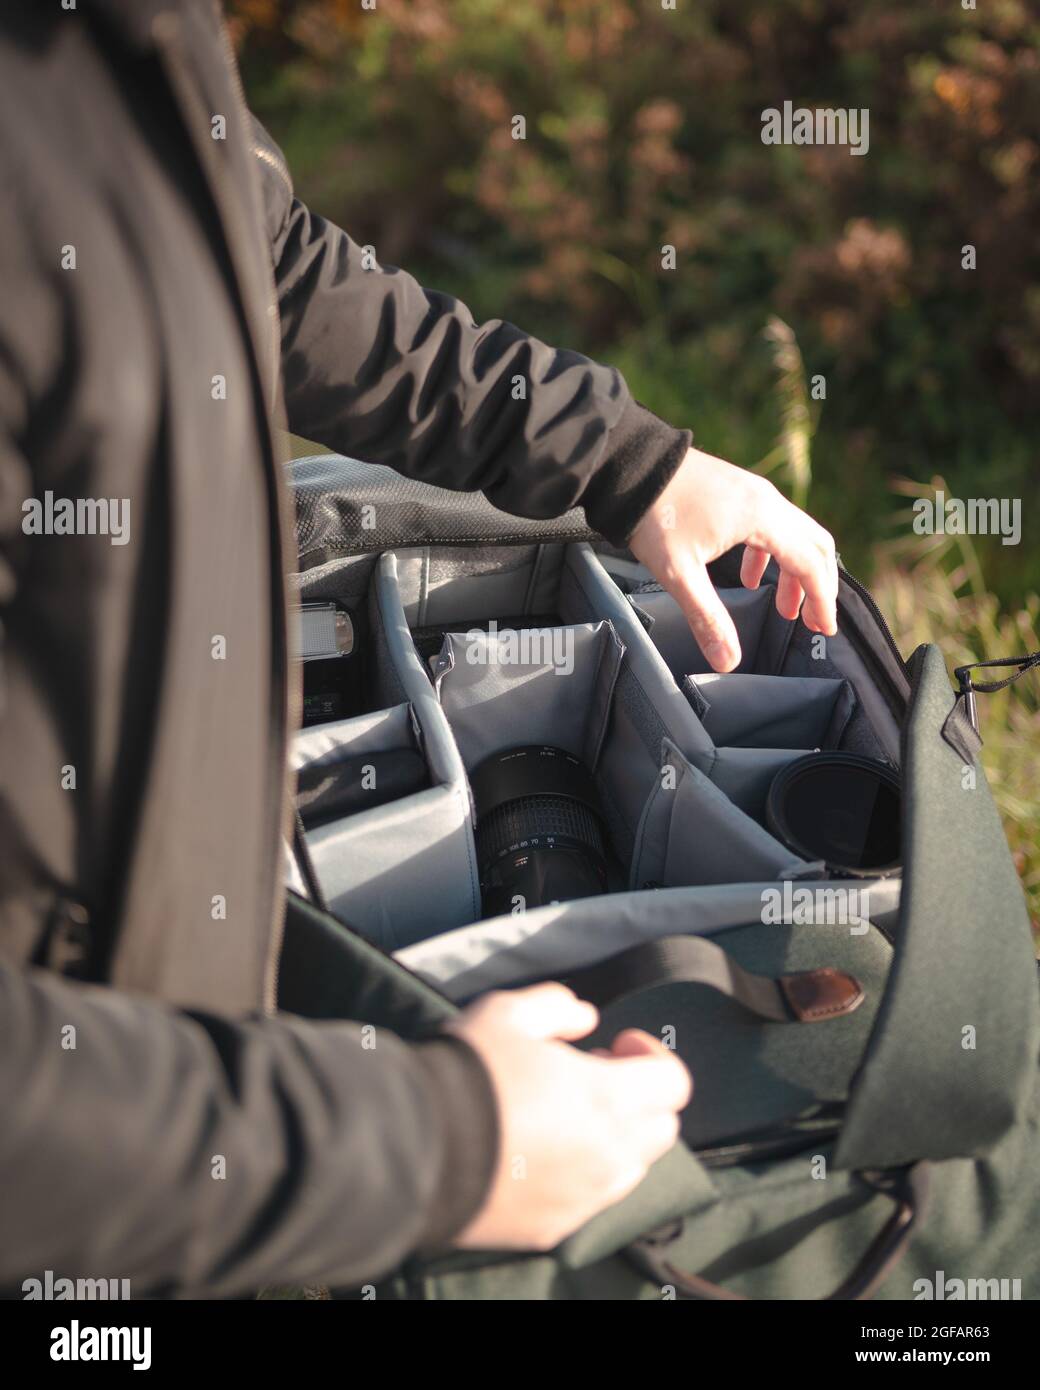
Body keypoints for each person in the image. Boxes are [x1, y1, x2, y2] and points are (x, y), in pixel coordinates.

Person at [0, 0, 838, 1296]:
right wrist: (436, 1146)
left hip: (193, 1115)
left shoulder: (120, 42)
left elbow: (274, 271)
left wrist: (631, 462)